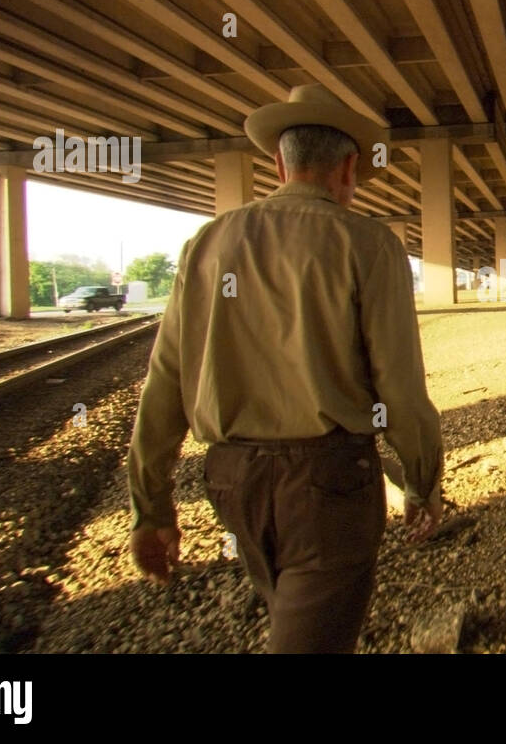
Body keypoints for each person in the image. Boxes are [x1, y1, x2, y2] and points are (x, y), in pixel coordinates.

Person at [124, 83, 446, 653]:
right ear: (349, 167)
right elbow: (398, 386)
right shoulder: (367, 243)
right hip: (330, 484)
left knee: (293, 618)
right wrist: (421, 480)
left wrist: (151, 506)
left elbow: (166, 381)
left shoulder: (206, 243)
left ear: (278, 161)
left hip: (232, 482)